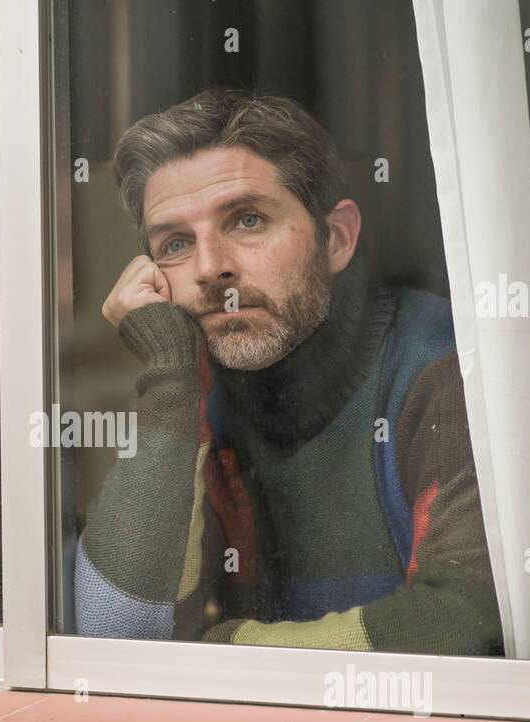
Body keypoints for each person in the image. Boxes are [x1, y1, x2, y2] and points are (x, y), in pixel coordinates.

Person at [73, 89, 503, 656]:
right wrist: (171, 373)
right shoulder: (194, 380)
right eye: (176, 243)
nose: (210, 268)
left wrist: (227, 651)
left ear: (336, 239)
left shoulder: (442, 367)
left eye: (247, 219)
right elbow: (114, 630)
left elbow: (468, 624)